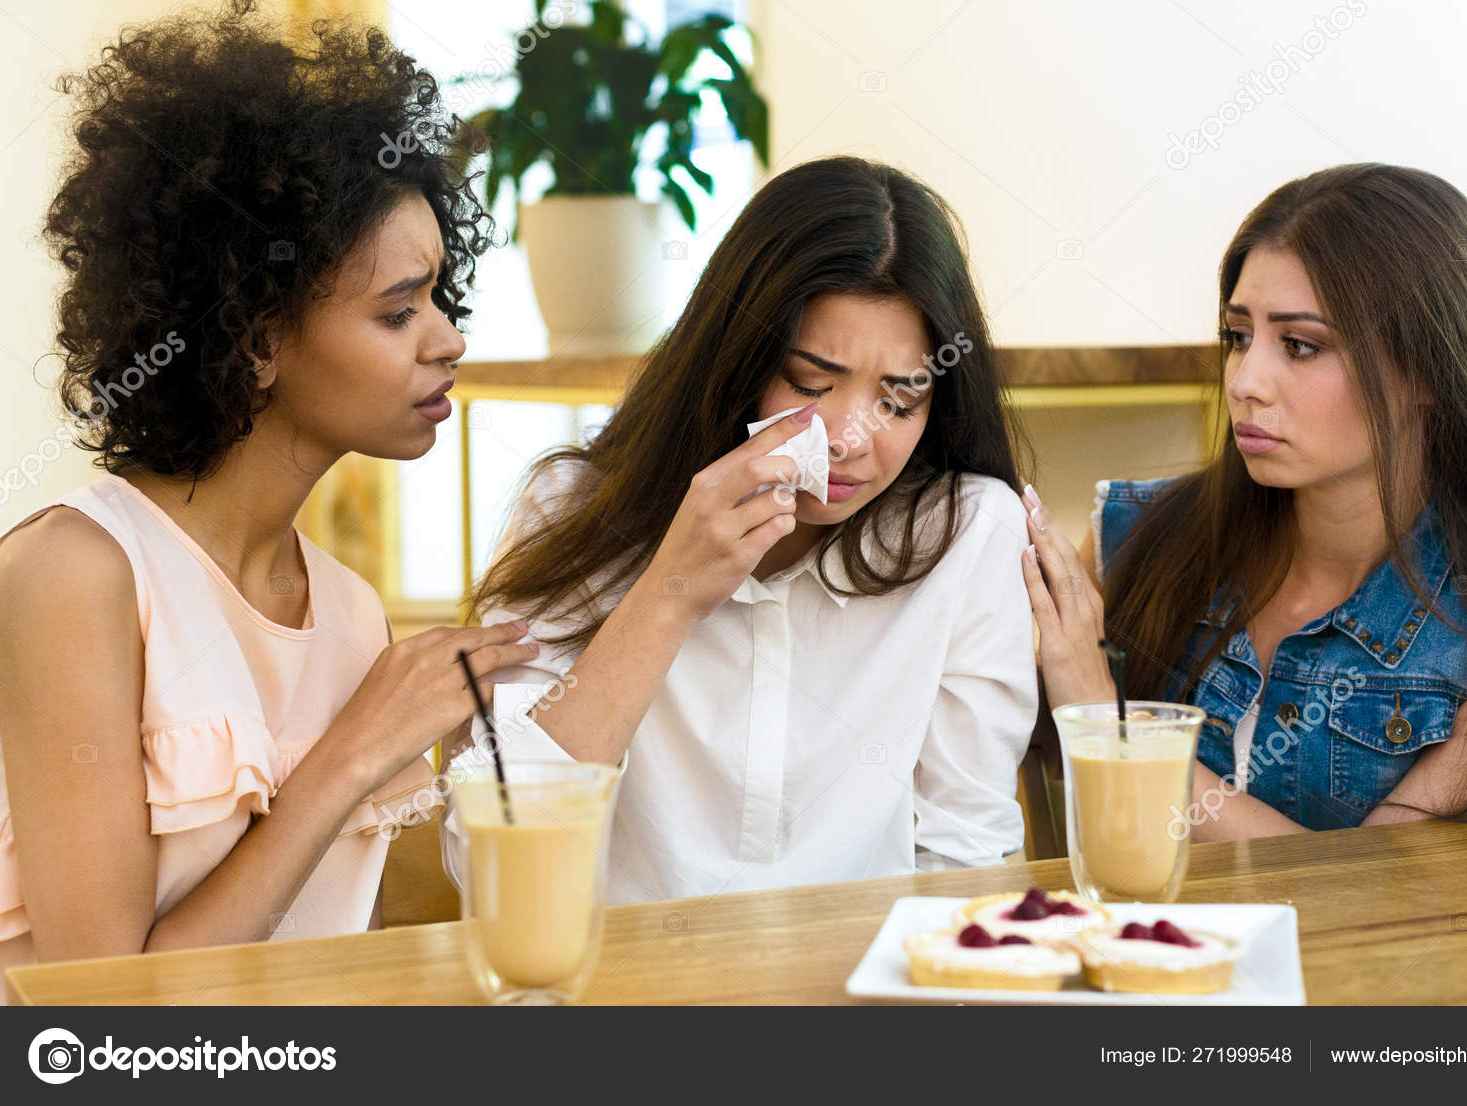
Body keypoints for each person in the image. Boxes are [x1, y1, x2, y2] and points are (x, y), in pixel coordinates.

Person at [0, 5, 532, 1003]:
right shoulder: (72, 577)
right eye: (398, 310)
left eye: (441, 298)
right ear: (255, 337)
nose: (447, 339)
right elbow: (101, 1012)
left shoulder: (352, 613)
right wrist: (358, 747)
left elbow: (318, 976)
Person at [443, 156, 1040, 902]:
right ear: (735, 361)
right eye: (813, 384)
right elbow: (499, 873)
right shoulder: (571, 508)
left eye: (901, 398)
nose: (852, 439)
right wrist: (668, 594)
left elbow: (969, 865)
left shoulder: (968, 533)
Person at [1020, 163, 1467, 837]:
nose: (1246, 380)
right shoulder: (1129, 537)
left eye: (1300, 345)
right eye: (1238, 337)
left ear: (1429, 370)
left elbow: (1366, 898)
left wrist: (1109, 727)